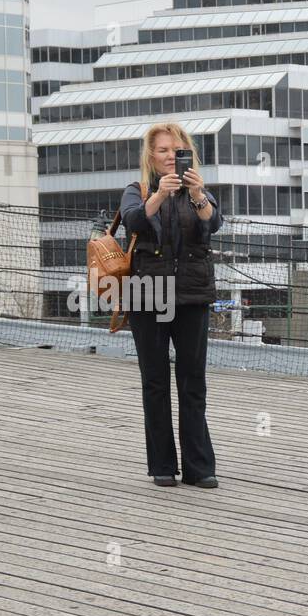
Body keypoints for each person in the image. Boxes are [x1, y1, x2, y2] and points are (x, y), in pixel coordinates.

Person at [119, 121, 223, 488]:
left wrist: (196, 195)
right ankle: (162, 465)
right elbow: (134, 222)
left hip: (192, 293)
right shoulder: (139, 190)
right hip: (148, 292)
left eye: (177, 150)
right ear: (151, 155)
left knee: (193, 380)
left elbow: (213, 223)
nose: (169, 157)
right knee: (156, 381)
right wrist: (159, 195)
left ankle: (200, 466)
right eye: (162, 150)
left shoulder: (199, 191)